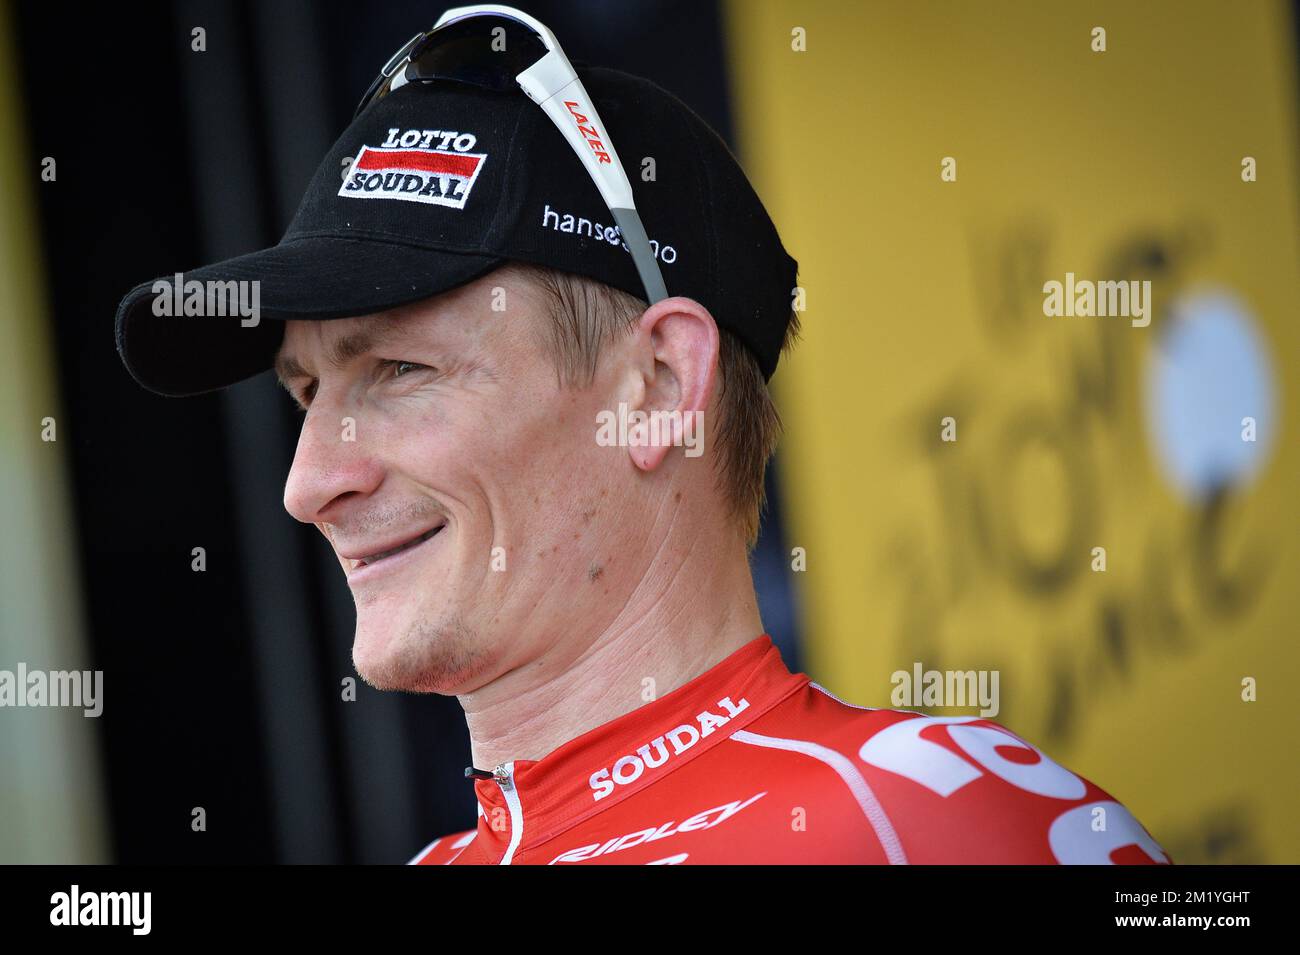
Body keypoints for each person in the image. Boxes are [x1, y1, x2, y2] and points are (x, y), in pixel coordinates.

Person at [114, 7, 1170, 865]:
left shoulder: (921, 817)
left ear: (661, 385)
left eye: (397, 370)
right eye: (306, 391)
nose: (309, 483)